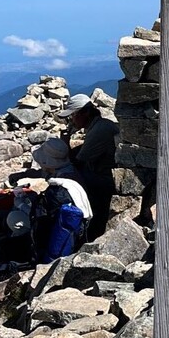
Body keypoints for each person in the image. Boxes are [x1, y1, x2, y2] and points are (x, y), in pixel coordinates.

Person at [60, 93, 119, 236]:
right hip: (106, 173)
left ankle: (86, 223)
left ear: (85, 113)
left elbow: (77, 161)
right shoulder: (98, 125)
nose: (72, 121)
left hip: (107, 180)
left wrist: (65, 143)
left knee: (67, 175)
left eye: (73, 116)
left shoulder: (99, 130)